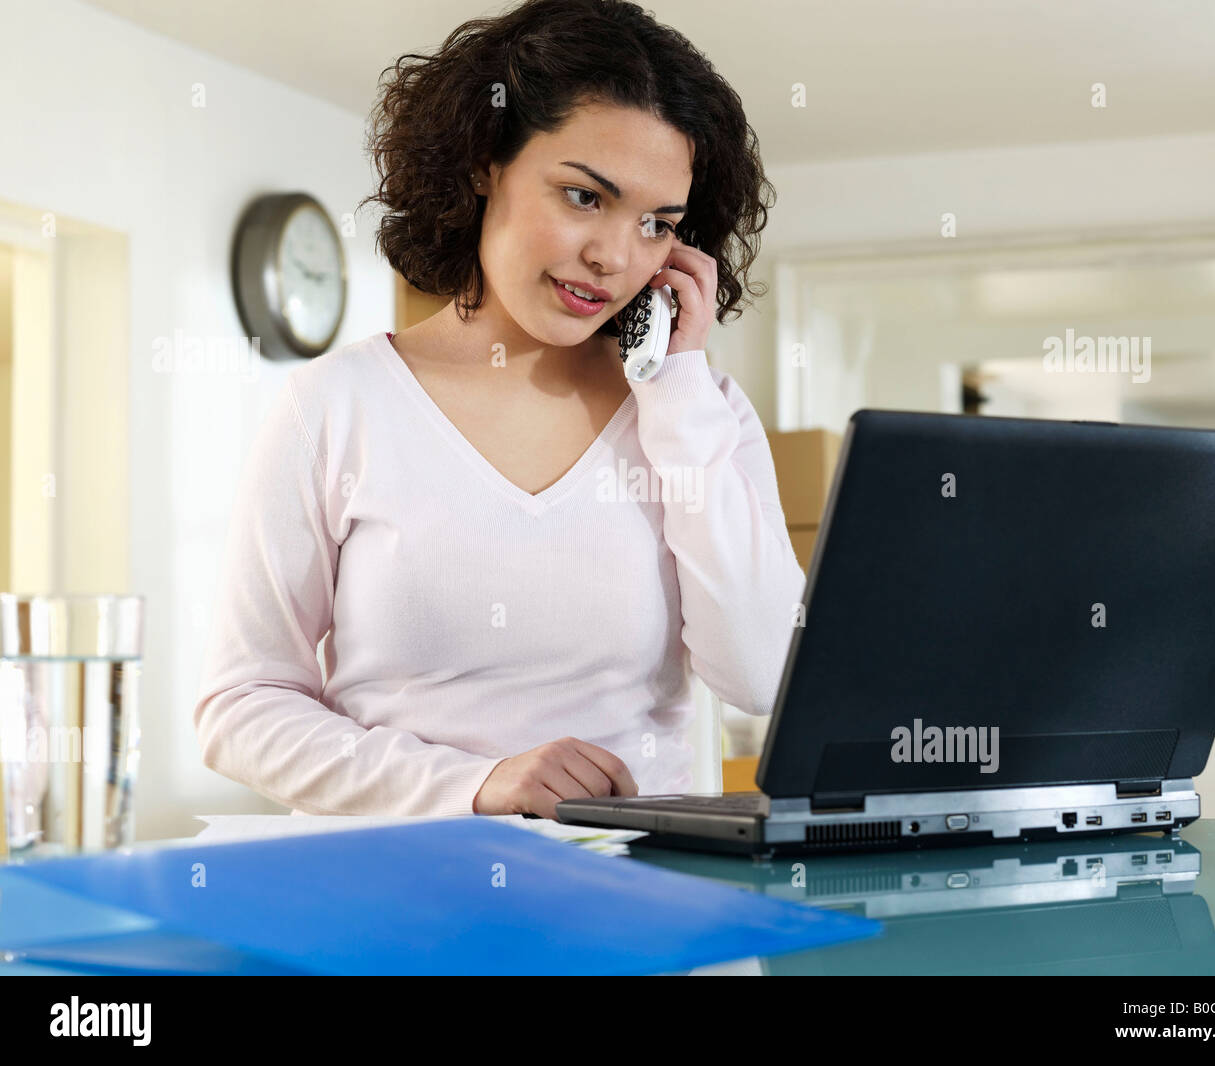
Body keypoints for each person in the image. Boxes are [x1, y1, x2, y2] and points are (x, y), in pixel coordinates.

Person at [193, 0, 806, 820]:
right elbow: (242, 708)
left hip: (635, 912)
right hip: (399, 914)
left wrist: (675, 390)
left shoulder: (700, 413)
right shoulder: (335, 406)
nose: (614, 256)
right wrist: (475, 785)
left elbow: (764, 675)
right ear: (485, 163)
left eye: (656, 224)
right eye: (585, 197)